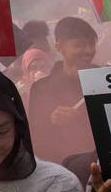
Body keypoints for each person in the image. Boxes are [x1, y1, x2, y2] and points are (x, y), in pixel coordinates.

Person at [28, 16, 99, 163]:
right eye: (79, 45)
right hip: (64, 169)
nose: (88, 50)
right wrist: (51, 121)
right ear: (59, 46)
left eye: (92, 44)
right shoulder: (41, 89)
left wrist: (81, 121)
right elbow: (35, 139)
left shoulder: (103, 80)